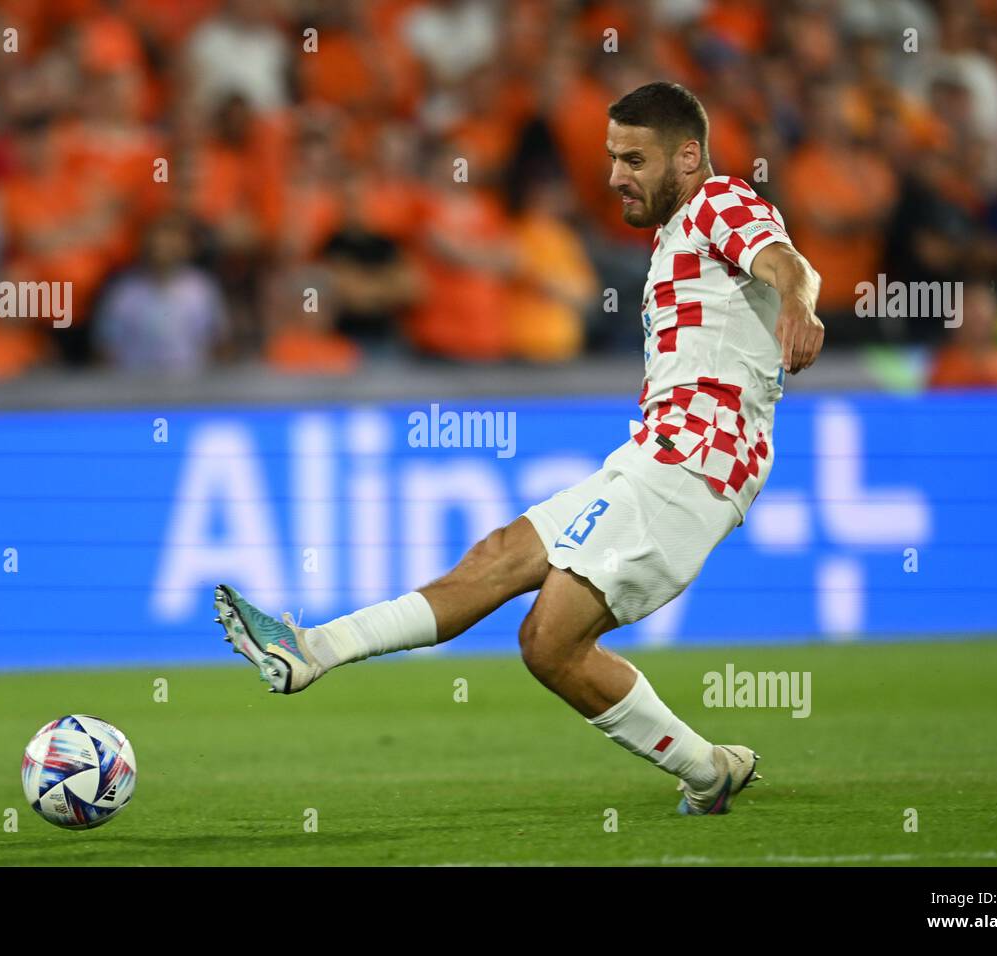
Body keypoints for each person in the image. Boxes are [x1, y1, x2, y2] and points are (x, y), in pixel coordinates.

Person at [213, 82, 825, 816]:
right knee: (497, 557)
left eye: (634, 158)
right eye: (610, 157)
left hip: (694, 465)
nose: (615, 176)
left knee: (548, 643)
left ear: (688, 156)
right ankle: (311, 651)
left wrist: (798, 302)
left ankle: (704, 768)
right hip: (653, 454)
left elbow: (786, 261)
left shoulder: (720, 203)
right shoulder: (675, 234)